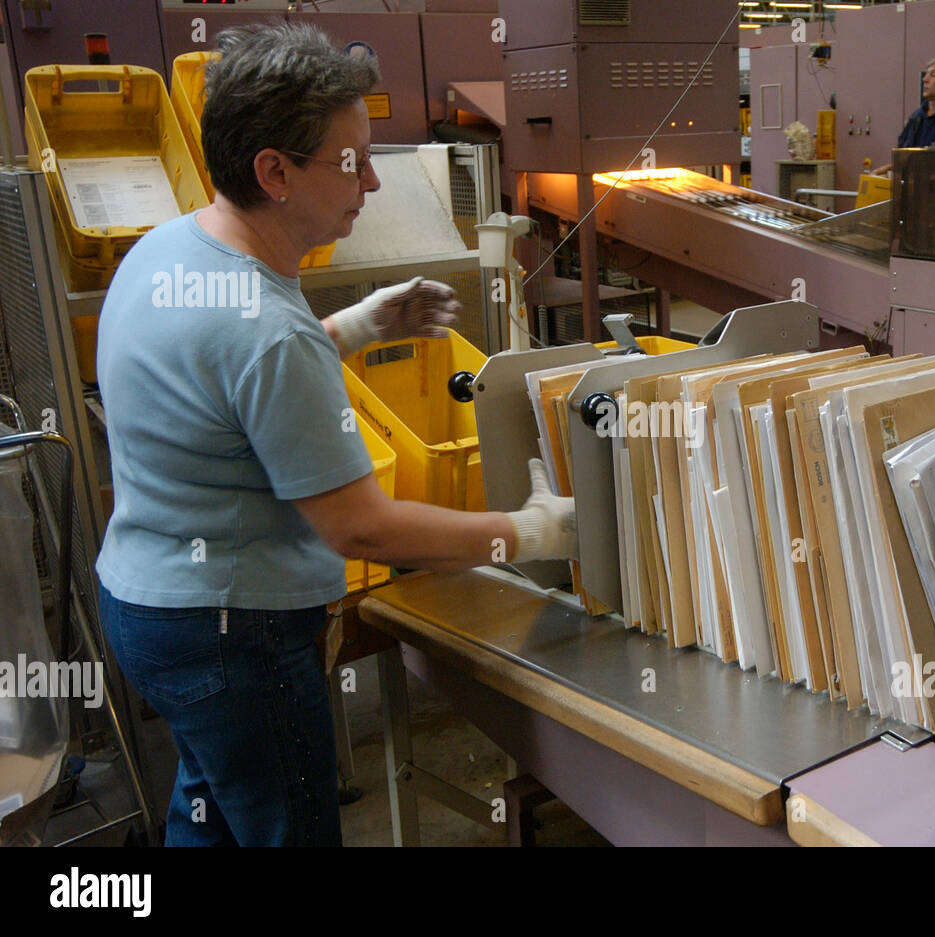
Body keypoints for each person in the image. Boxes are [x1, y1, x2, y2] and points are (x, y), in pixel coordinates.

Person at [95, 23, 575, 846]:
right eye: (350, 162)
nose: (374, 185)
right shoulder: (266, 331)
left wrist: (351, 327)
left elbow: (226, 385)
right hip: (232, 635)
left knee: (210, 811)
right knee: (287, 828)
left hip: (149, 607)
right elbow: (363, 526)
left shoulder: (171, 250)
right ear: (274, 172)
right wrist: (525, 531)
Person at [870, 57, 935, 176]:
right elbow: (904, 156)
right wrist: (888, 170)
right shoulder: (916, 118)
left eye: (933, 75)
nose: (925, 79)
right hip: (913, 189)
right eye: (926, 74)